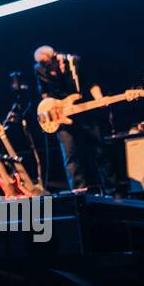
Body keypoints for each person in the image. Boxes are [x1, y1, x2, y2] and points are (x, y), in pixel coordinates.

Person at [33, 45, 111, 194]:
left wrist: (99, 99)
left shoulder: (74, 62)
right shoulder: (39, 69)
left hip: (83, 112)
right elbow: (44, 92)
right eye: (41, 64)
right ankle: (79, 194)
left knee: (100, 151)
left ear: (54, 56)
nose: (43, 66)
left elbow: (91, 83)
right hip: (60, 117)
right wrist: (50, 108)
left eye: (45, 62)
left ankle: (112, 191)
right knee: (70, 157)